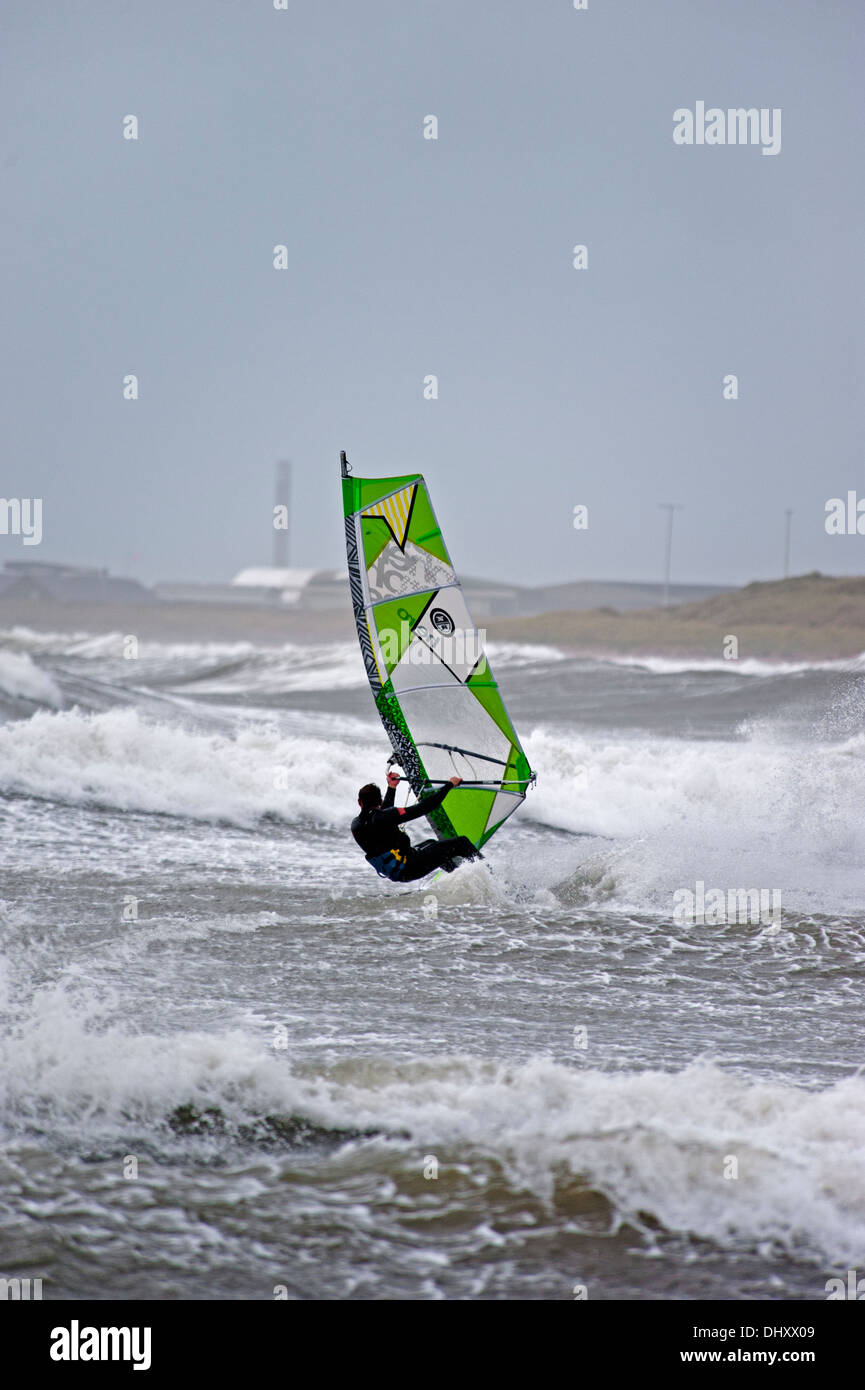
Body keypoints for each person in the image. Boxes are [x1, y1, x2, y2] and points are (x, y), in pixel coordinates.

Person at [351, 769, 481, 882]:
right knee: (462, 843)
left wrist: (392, 787)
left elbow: (381, 817)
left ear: (359, 802)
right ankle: (490, 877)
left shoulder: (356, 825)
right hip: (411, 867)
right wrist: (449, 785)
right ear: (380, 800)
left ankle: (459, 878)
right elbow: (425, 807)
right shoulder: (385, 817)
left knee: (432, 844)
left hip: (395, 872)